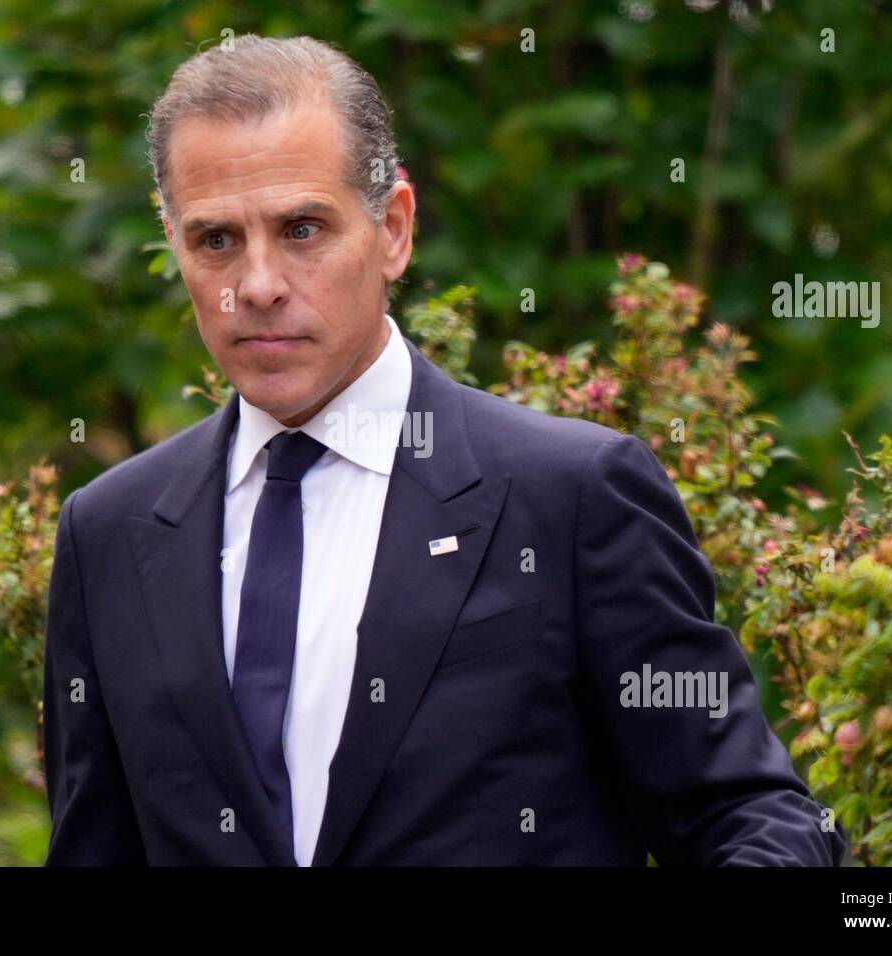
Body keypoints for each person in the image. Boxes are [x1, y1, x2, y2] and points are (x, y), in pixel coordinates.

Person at [42, 33, 846, 866]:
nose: (257, 284)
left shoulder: (570, 498)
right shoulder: (110, 534)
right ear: (172, 242)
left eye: (302, 229)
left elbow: (750, 818)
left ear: (392, 229)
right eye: (216, 241)